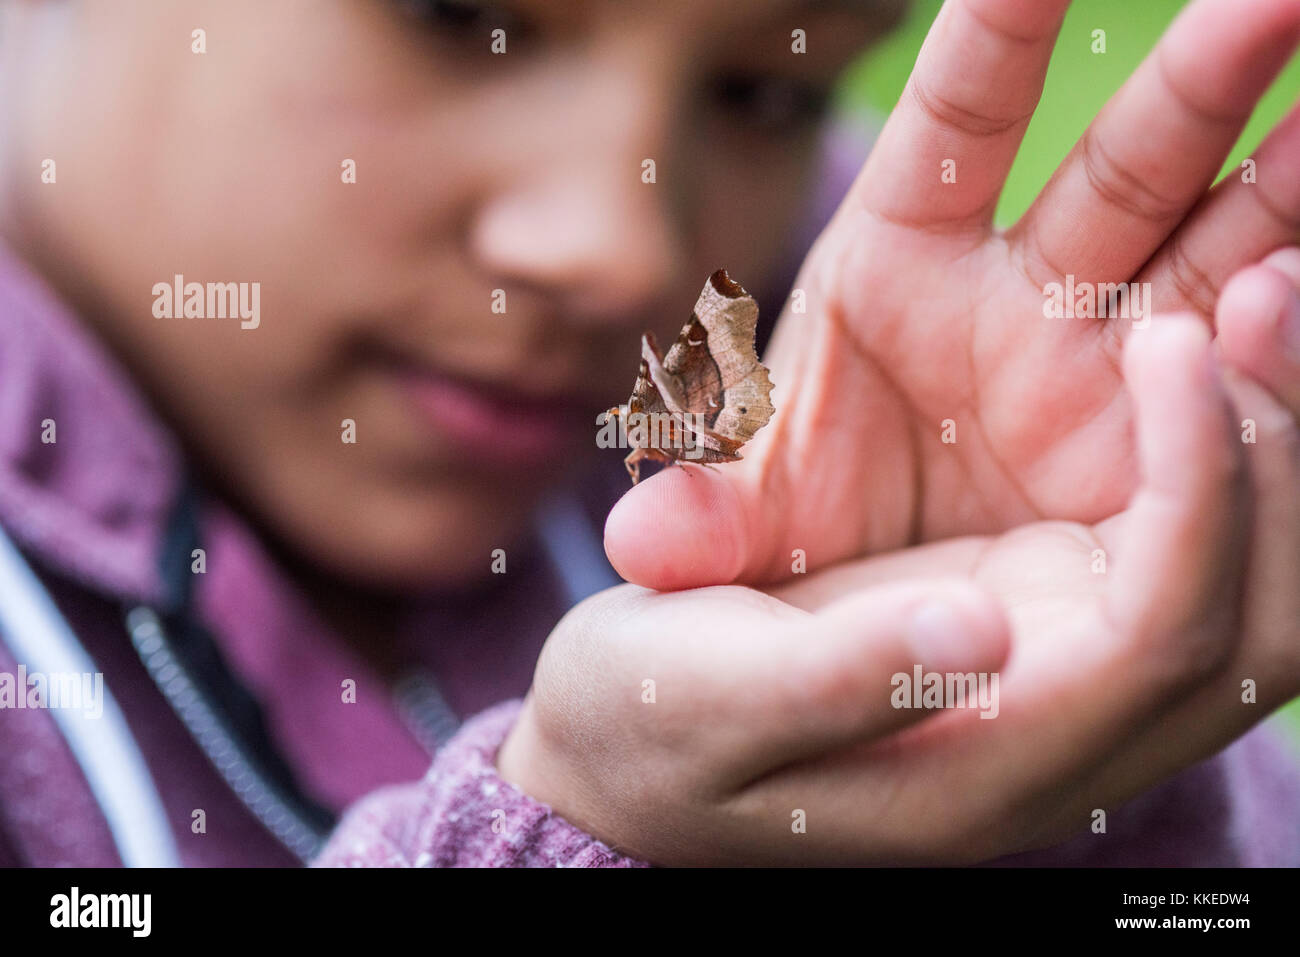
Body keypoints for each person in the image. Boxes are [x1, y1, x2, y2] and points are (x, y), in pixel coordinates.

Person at [0, 0, 1296, 867]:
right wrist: (579, 834)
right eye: (468, 20)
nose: (620, 254)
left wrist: (1065, 788)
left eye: (762, 95)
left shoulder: (866, 363)